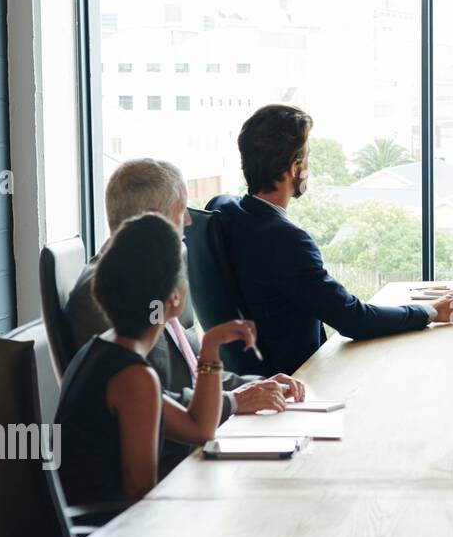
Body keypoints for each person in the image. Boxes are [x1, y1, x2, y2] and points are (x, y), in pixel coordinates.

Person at [65, 158, 304, 476]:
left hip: (193, 439)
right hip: (172, 464)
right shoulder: (105, 293)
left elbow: (187, 370)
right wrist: (233, 400)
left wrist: (255, 387)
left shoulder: (151, 277)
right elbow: (151, 401)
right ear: (154, 219)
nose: (189, 222)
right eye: (181, 211)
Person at [209, 105, 453, 375]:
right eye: (307, 159)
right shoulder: (286, 240)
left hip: (247, 374)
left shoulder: (222, 208)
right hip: (298, 380)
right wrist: (430, 311)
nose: (309, 167)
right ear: (293, 169)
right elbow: (354, 320)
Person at [57, 214, 269, 505]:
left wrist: (210, 348)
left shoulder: (100, 350)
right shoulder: (134, 378)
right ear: (175, 299)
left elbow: (199, 427)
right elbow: (141, 494)